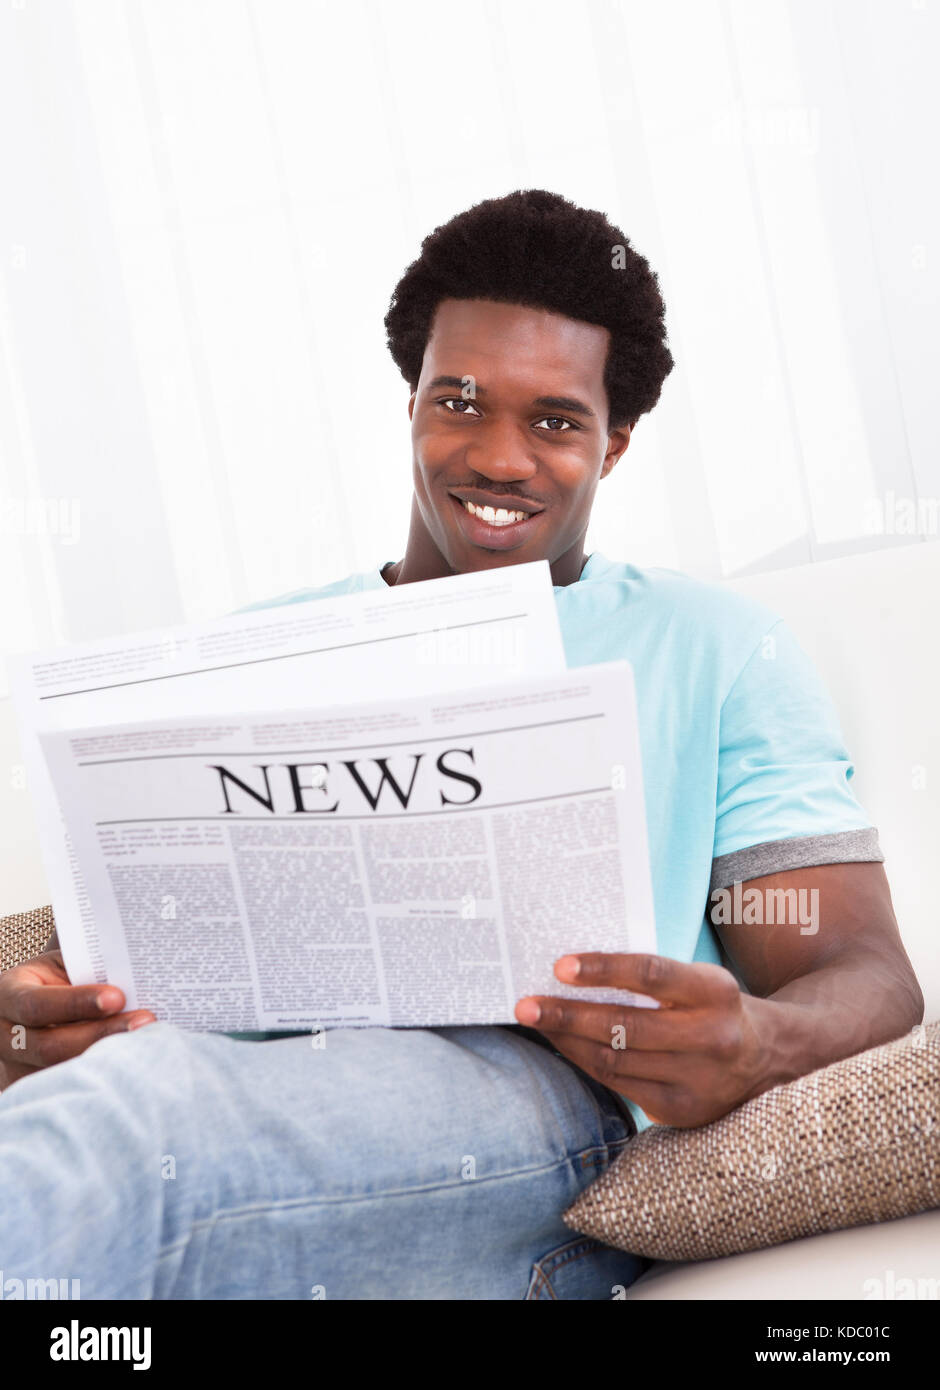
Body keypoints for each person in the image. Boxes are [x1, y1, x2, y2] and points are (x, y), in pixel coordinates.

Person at [0, 190, 923, 1300]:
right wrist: (41, 1024)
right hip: (229, 1079)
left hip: (534, 1103)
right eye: (461, 402)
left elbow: (861, 970)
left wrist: (756, 1042)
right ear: (411, 406)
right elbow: (125, 956)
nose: (498, 457)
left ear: (613, 445)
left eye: (555, 421)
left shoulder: (716, 647)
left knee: (120, 1133)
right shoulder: (250, 651)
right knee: (119, 1123)